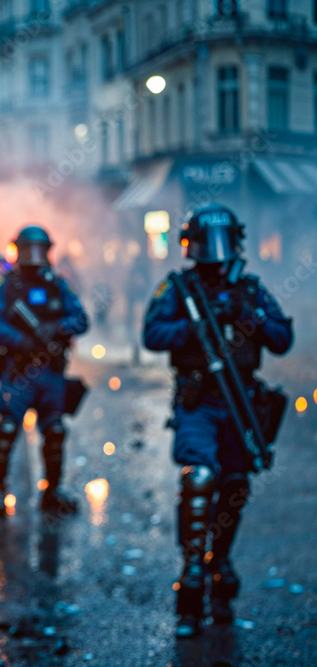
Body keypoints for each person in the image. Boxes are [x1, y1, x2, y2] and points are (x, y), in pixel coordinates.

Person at [143, 204, 292, 638]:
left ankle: (220, 565)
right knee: (199, 476)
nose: (216, 251)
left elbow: (282, 338)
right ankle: (191, 575)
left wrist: (250, 317)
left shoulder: (250, 289)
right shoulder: (179, 288)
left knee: (235, 484)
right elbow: (152, 334)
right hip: (200, 402)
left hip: (241, 402)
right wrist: (192, 329)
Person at [0, 225, 89, 516]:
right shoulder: (6, 286)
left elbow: (80, 319)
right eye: (28, 249)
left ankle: (52, 492)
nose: (33, 255)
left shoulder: (58, 285)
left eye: (38, 249)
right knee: (7, 430)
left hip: (50, 373)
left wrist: (55, 328)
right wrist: (22, 341)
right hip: (18, 372)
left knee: (55, 432)